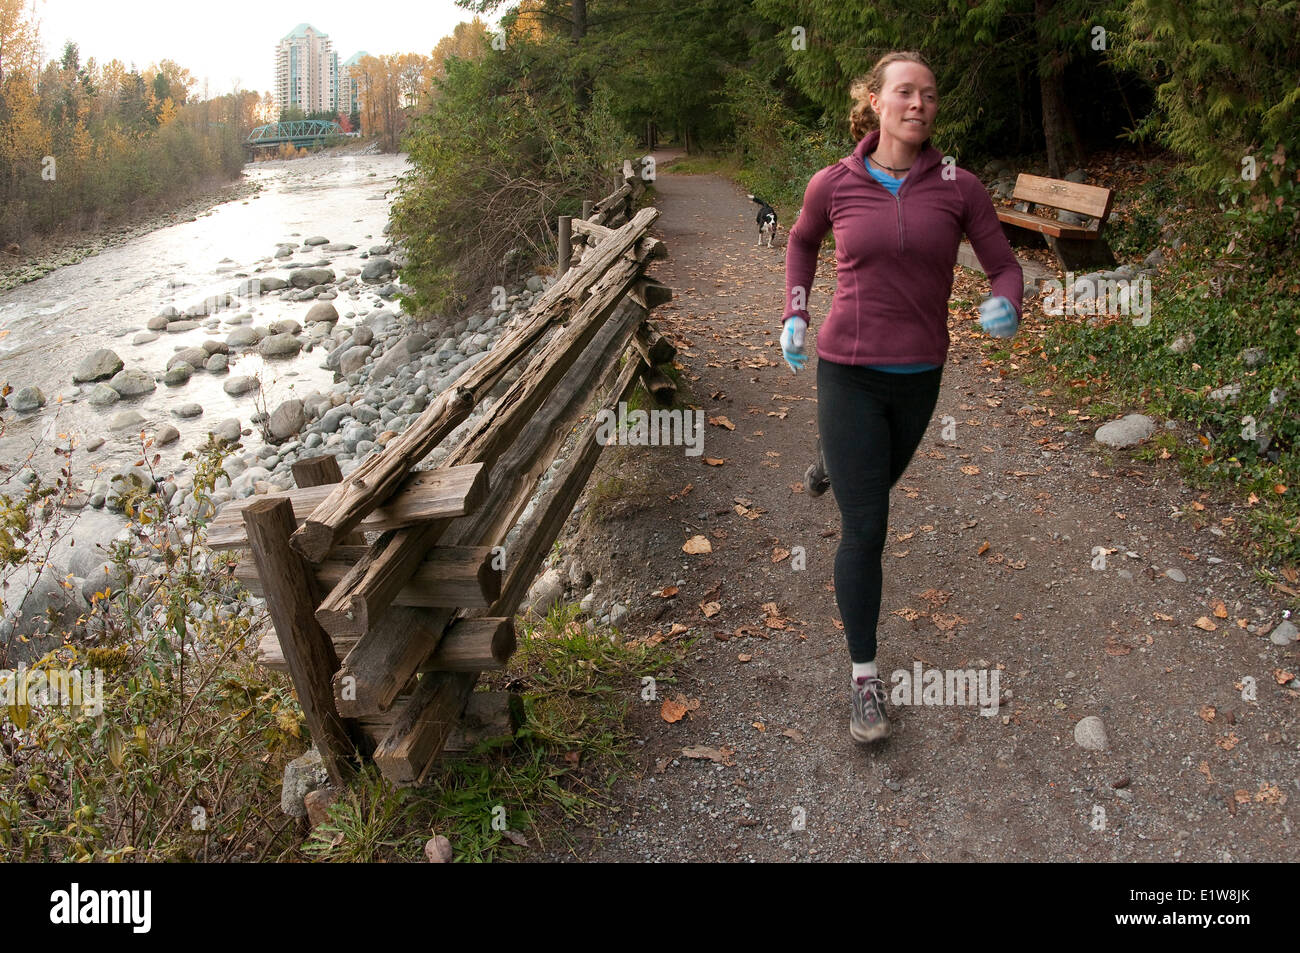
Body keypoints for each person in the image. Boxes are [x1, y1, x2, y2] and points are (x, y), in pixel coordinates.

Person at [780, 51, 1023, 744]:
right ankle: (864, 679)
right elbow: (800, 242)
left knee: (870, 484)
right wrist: (795, 311)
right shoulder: (834, 183)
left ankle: (832, 462)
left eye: (930, 94)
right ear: (876, 102)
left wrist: (1007, 300)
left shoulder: (959, 187)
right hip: (847, 369)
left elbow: (1004, 264)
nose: (919, 103)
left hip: (920, 376)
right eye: (905, 92)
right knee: (868, 526)